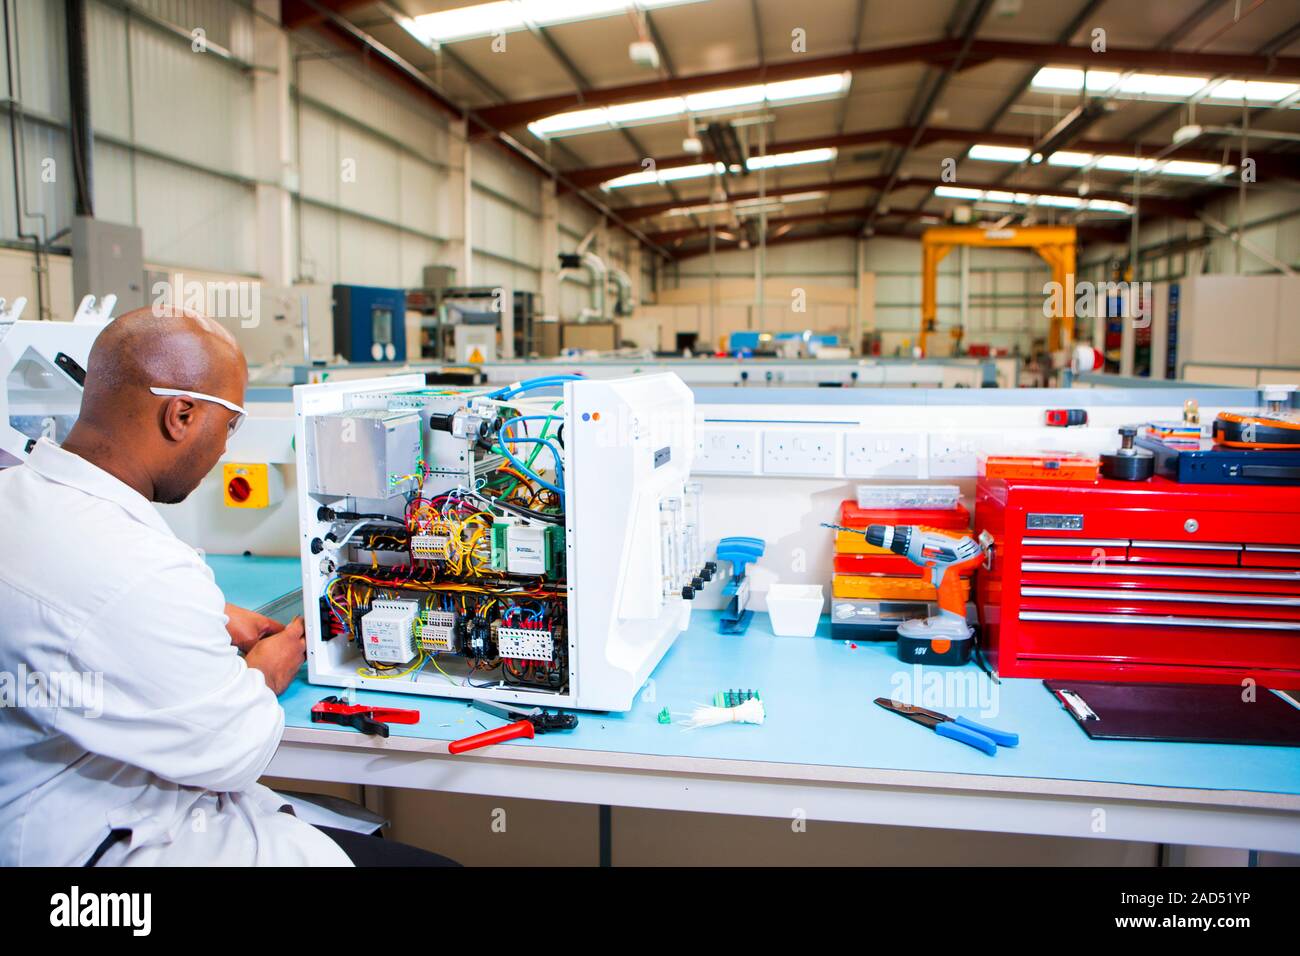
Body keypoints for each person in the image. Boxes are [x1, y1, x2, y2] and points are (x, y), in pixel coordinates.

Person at [0, 307, 453, 866]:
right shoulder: (140, 568)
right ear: (181, 415)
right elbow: (235, 753)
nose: (224, 449)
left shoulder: (18, 495)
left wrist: (202, 616)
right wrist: (267, 670)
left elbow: (88, 618)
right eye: (230, 424)